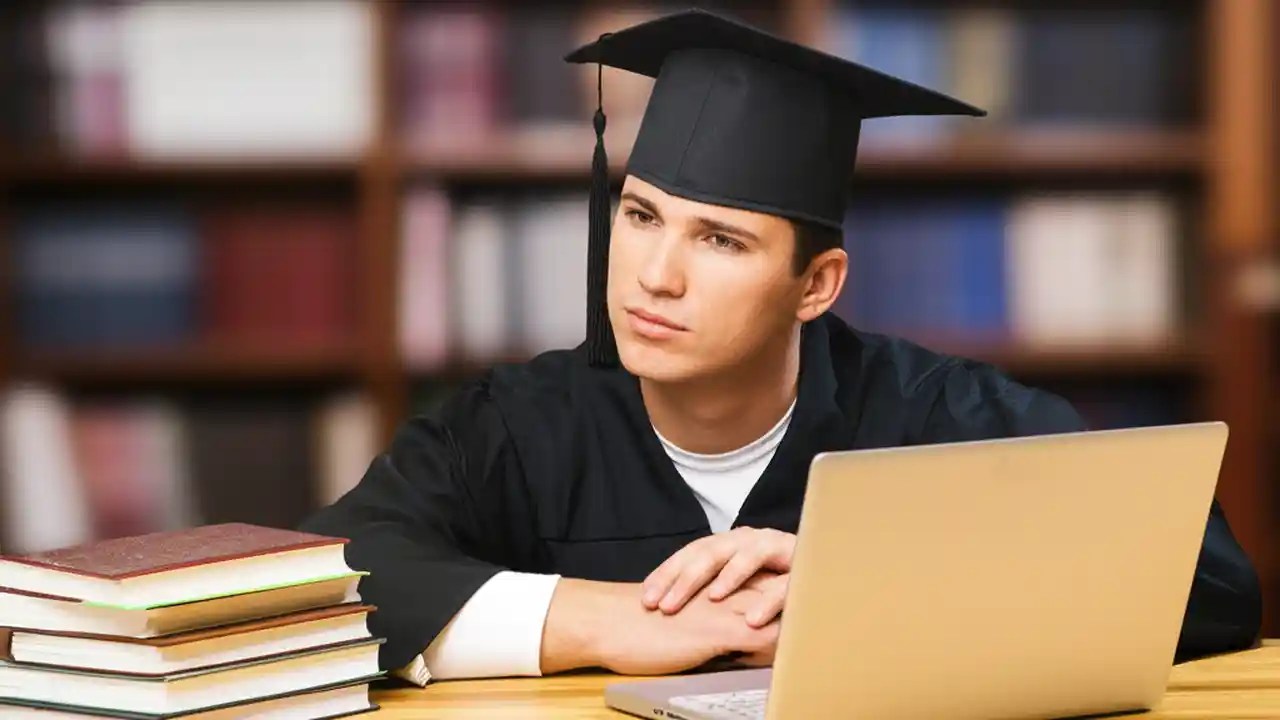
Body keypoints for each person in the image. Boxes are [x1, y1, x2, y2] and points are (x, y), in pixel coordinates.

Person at [300, 9, 1261, 685]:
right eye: (640, 216)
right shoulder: (517, 426)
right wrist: (604, 618)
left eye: (720, 239)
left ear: (817, 285)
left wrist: (868, 587)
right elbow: (321, 572)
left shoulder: (938, 415)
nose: (655, 275)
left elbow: (1210, 584)